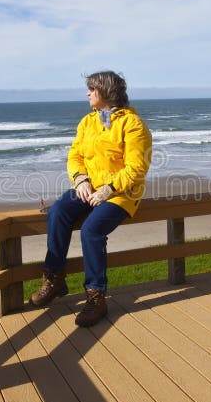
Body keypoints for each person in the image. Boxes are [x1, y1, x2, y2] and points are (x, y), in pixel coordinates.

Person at [30, 71, 152, 327]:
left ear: (107, 92)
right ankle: (54, 280)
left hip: (121, 193)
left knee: (91, 230)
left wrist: (108, 189)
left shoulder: (133, 124)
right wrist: (80, 180)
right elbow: (75, 155)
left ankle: (96, 297)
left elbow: (136, 167)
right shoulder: (88, 122)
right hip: (89, 187)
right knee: (58, 212)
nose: (87, 93)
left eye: (92, 89)